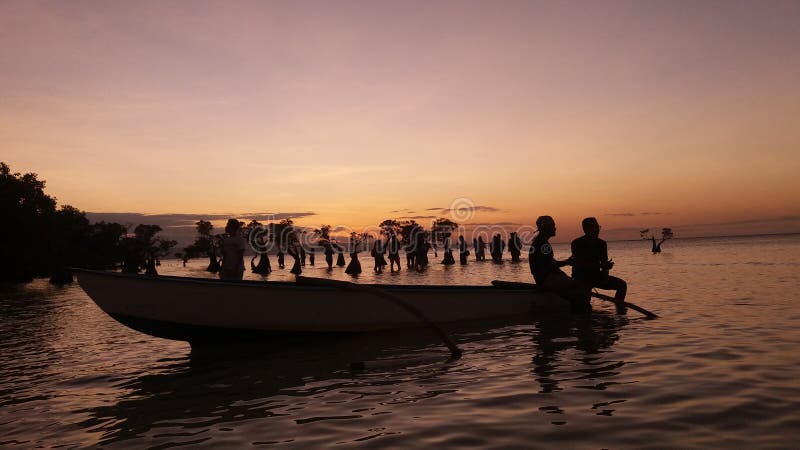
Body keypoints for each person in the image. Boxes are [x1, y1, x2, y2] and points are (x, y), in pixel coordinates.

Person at [529, 216, 589, 311]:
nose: (555, 228)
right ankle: (579, 315)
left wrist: (567, 263)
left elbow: (548, 264)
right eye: (553, 226)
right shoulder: (543, 244)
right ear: (547, 228)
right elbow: (550, 266)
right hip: (546, 280)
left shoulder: (539, 242)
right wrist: (567, 262)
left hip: (543, 278)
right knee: (582, 289)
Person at [571, 217, 627, 312]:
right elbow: (580, 264)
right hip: (581, 278)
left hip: (597, 276)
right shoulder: (577, 243)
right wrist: (601, 266)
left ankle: (619, 310)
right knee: (584, 306)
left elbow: (604, 262)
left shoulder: (602, 244)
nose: (597, 230)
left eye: (598, 227)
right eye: (594, 227)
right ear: (585, 229)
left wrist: (605, 275)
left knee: (622, 285)